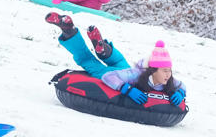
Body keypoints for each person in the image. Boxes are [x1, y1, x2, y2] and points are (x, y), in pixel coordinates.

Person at [45, 12, 186, 106]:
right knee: (87, 59)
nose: (169, 74)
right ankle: (69, 30)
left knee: (117, 60)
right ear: (153, 70)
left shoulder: (167, 79)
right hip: (119, 76)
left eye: (169, 71)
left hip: (123, 67)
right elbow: (108, 76)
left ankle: (103, 49)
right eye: (165, 70)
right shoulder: (137, 75)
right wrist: (127, 89)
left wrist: (180, 93)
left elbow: (182, 86)